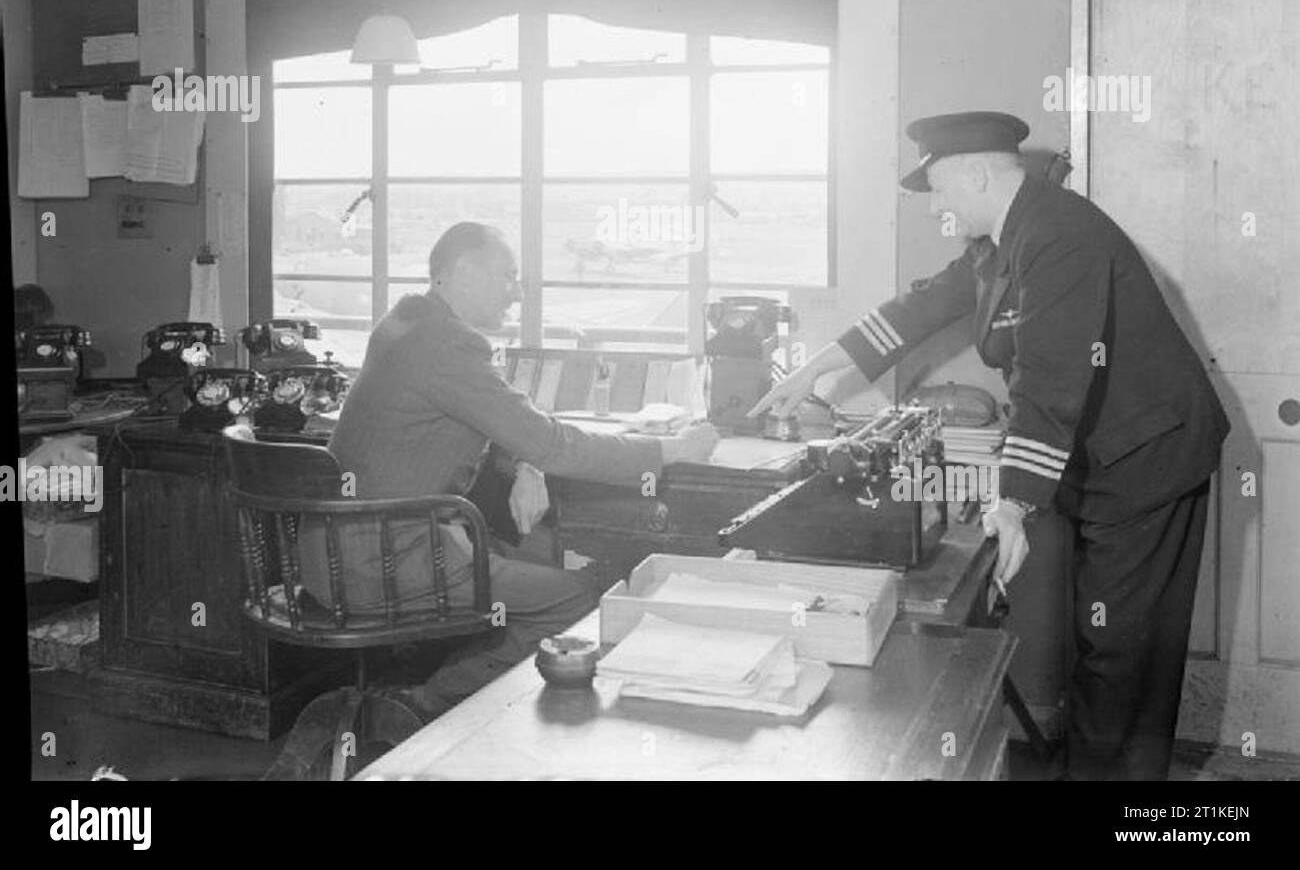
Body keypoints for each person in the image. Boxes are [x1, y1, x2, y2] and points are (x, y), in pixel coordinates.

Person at [752, 112, 1229, 781]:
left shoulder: (1060, 236)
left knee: (1124, 649)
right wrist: (814, 368)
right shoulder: (1001, 241)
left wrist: (1013, 504)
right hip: (1103, 455)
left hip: (1150, 456)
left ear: (976, 174)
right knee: (1104, 640)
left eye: (940, 191)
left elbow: (1050, 379)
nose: (937, 208)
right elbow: (917, 309)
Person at [297, 221, 718, 718]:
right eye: (509, 277)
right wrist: (670, 449)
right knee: (583, 600)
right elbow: (552, 441)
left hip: (330, 557)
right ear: (466, 274)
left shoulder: (405, 323)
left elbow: (493, 424)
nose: (517, 294)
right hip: (379, 565)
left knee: (533, 559)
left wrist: (525, 462)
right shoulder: (448, 344)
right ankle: (430, 706)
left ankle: (440, 694)